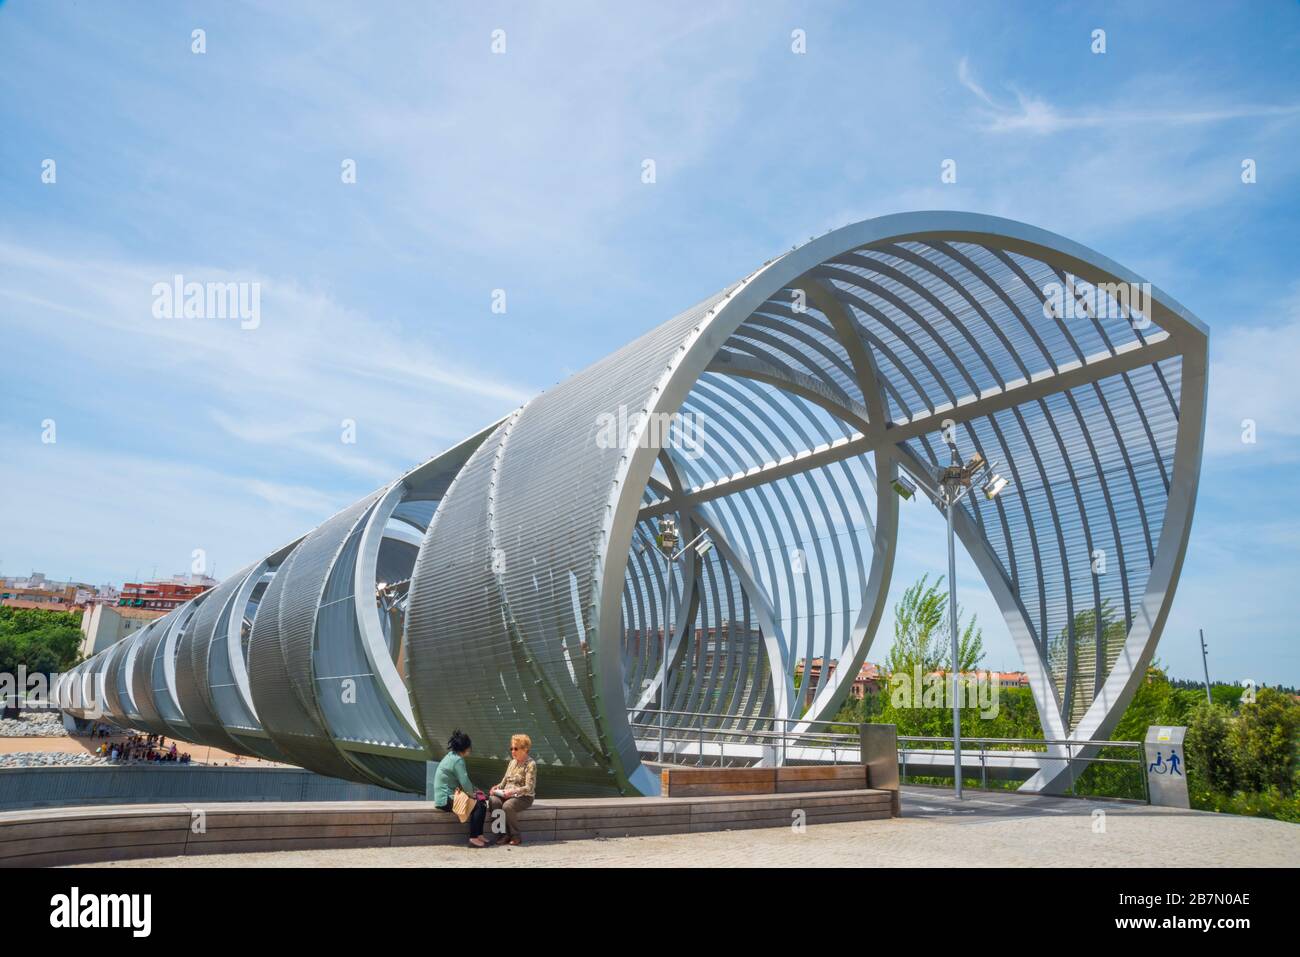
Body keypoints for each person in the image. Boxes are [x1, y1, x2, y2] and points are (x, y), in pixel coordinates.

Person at [432, 729, 489, 847]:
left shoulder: (451, 756)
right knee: (479, 805)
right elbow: (465, 783)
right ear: (466, 748)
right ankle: (474, 838)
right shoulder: (458, 760)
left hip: (444, 797)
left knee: (481, 802)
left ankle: (479, 835)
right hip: (445, 799)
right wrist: (474, 794)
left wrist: (476, 791)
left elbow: (465, 783)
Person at [487, 734, 537, 846]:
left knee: (507, 806)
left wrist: (513, 791)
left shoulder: (530, 764)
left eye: (516, 748)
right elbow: (504, 781)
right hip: (507, 794)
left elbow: (529, 787)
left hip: (523, 797)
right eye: (511, 748)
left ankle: (515, 836)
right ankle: (502, 834)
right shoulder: (512, 762)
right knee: (493, 800)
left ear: (525, 749)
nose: (512, 751)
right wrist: (496, 788)